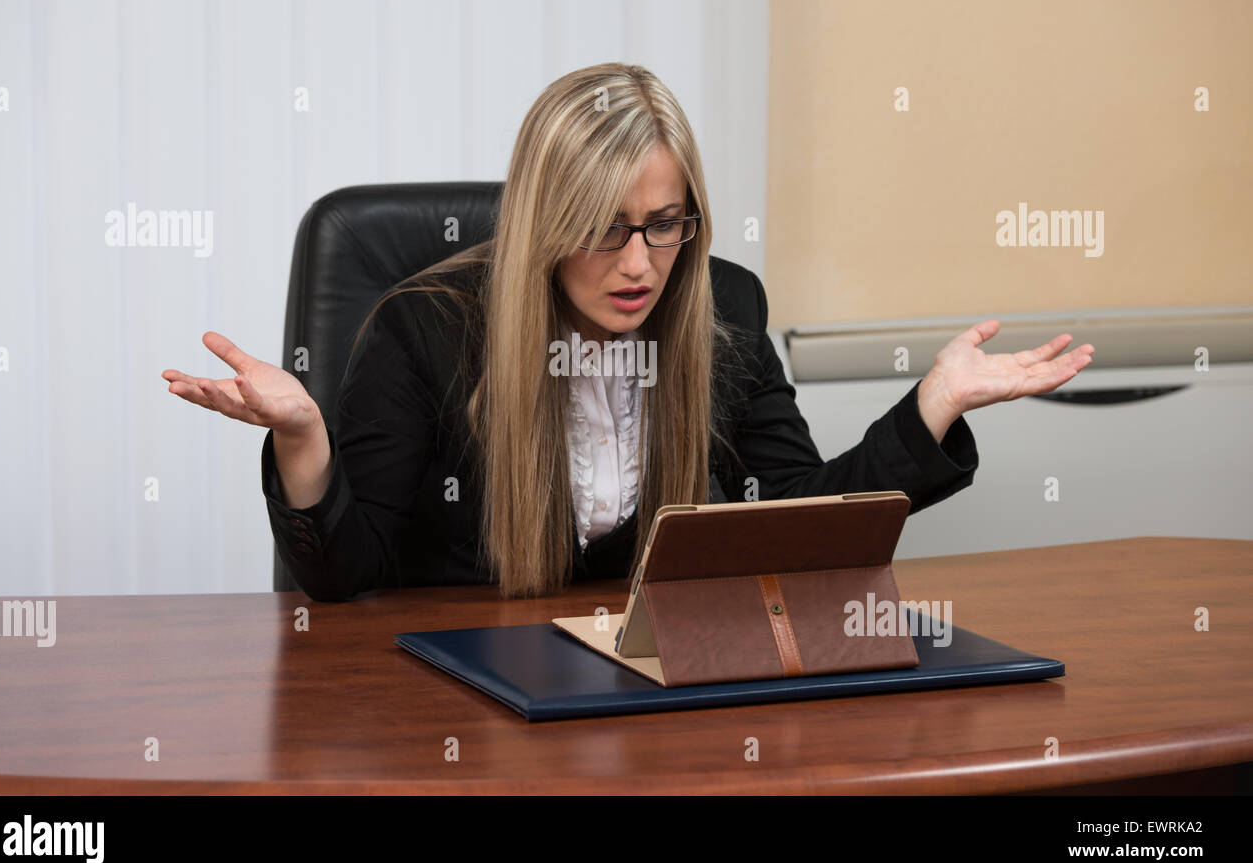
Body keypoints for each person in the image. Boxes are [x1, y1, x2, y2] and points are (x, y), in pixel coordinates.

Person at [162, 62, 1093, 602]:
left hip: (644, 685)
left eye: (665, 222)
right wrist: (304, 437)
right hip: (451, 698)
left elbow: (798, 516)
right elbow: (344, 574)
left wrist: (929, 408)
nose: (642, 262)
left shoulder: (719, 306)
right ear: (545, 219)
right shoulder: (427, 330)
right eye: (607, 226)